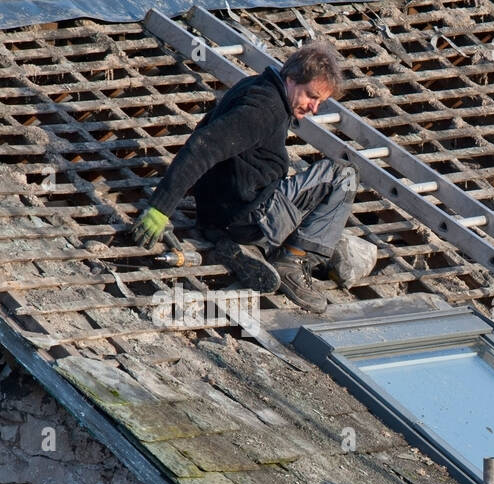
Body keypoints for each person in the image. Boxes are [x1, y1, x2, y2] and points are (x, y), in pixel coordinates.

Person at [131, 41, 356, 314]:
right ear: (292, 78)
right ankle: (291, 262)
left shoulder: (256, 86)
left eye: (320, 101)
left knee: (307, 199)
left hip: (222, 216)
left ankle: (250, 246)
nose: (315, 108)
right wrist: (160, 207)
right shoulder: (264, 109)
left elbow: (208, 133)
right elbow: (204, 146)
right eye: (312, 96)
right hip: (250, 216)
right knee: (343, 175)